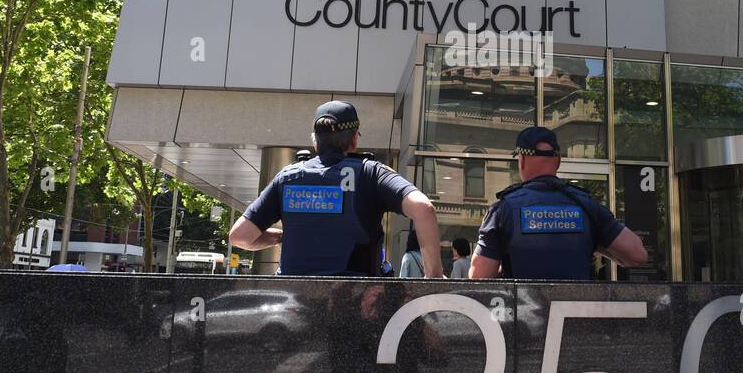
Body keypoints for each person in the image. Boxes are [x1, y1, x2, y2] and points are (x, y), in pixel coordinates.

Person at [229, 101, 443, 277]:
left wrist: (279, 237)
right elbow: (423, 209)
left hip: (293, 301)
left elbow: (239, 236)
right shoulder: (370, 173)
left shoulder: (288, 177)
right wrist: (433, 278)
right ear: (354, 139)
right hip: (358, 303)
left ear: (315, 142)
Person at [469, 127, 647, 280]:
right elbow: (638, 255)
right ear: (559, 161)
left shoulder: (503, 210)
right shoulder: (586, 206)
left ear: (521, 160)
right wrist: (595, 243)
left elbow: (479, 277)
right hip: (577, 316)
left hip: (524, 316)